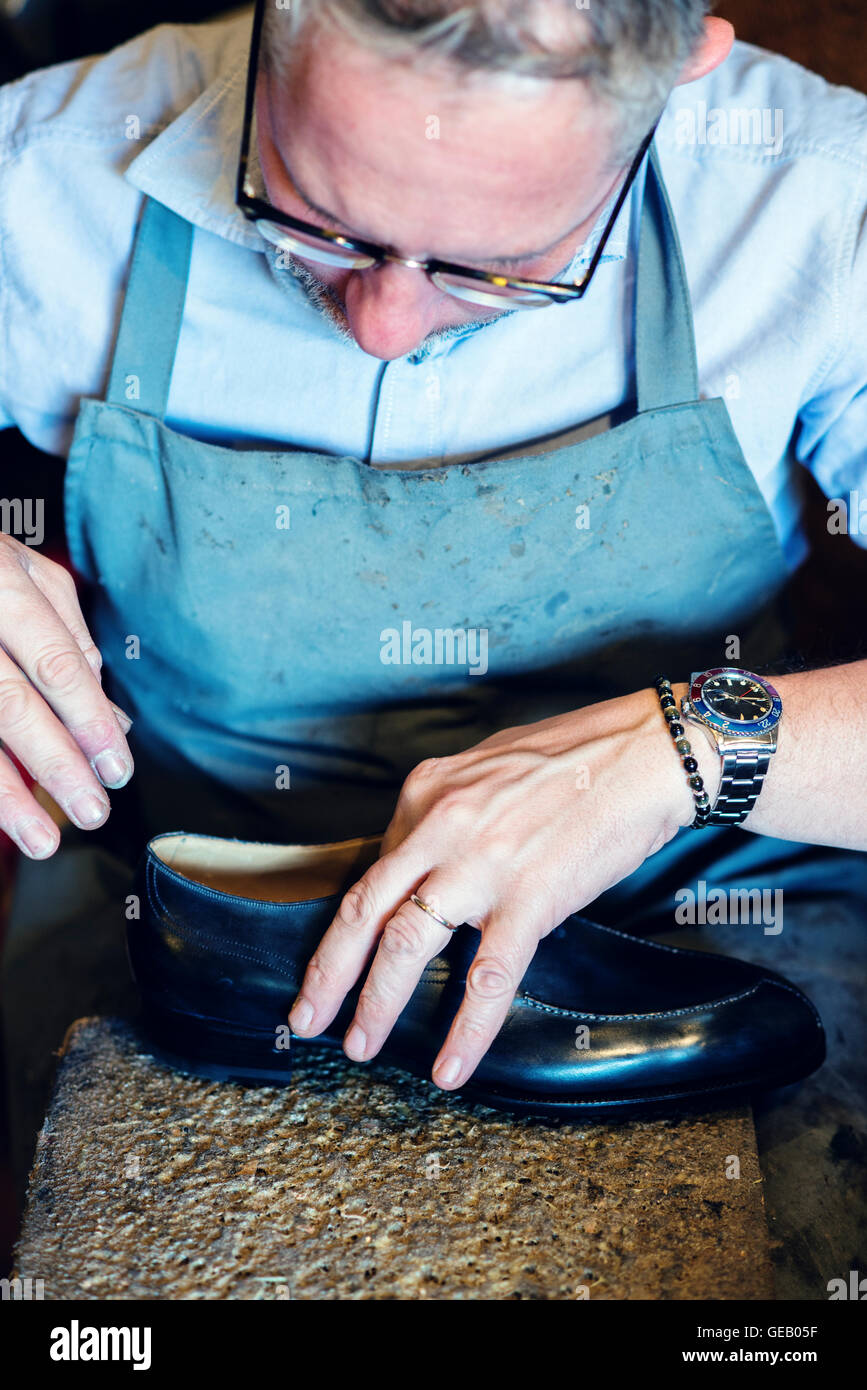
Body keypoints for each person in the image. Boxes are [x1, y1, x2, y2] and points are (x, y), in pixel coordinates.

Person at [0, 0, 865, 1179]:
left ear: (679, 74)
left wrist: (682, 751)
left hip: (704, 894)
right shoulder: (43, 169)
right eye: (312, 217)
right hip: (189, 891)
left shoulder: (815, 190)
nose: (383, 327)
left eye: (501, 267)